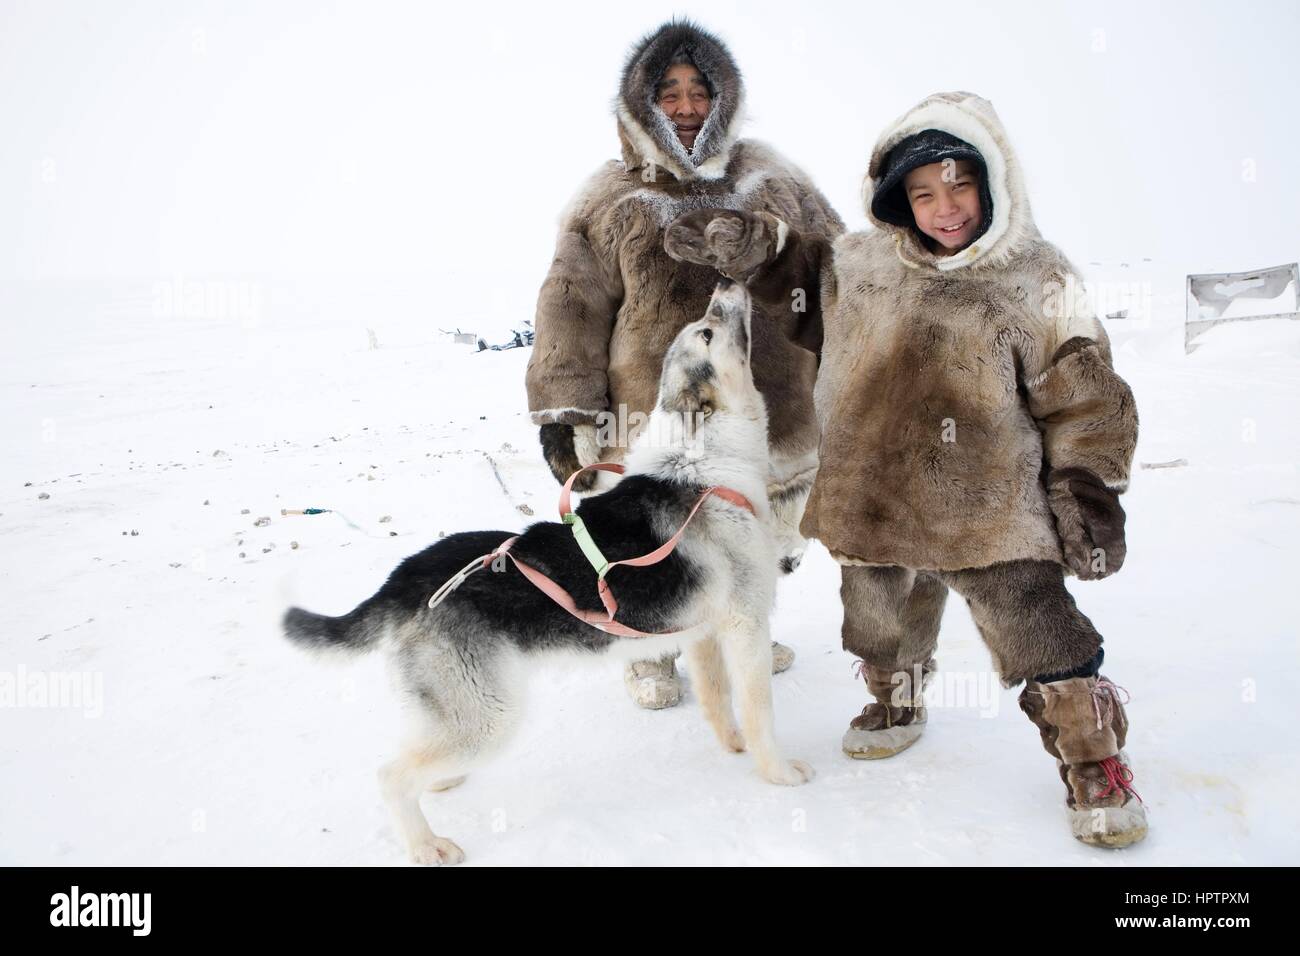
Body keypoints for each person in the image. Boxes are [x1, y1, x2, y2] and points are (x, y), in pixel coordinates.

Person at [664, 91, 1146, 847]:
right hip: (870, 494)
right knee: (878, 626)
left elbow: (1085, 398)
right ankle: (896, 700)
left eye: (959, 184)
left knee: (1042, 634)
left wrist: (1087, 492)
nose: (944, 207)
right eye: (922, 193)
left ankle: (1094, 760)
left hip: (989, 507)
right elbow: (801, 294)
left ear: (993, 182)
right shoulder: (859, 263)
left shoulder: (1039, 277)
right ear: (897, 201)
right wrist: (751, 243)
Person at [524, 21, 843, 710]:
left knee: (754, 530)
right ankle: (653, 645)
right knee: (658, 532)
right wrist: (564, 409)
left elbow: (839, 270)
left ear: (725, 96)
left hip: (774, 404)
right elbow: (570, 308)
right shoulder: (609, 198)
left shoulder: (775, 179)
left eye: (701, 89)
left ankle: (738, 629)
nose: (688, 105)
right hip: (649, 411)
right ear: (642, 105)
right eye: (669, 92)